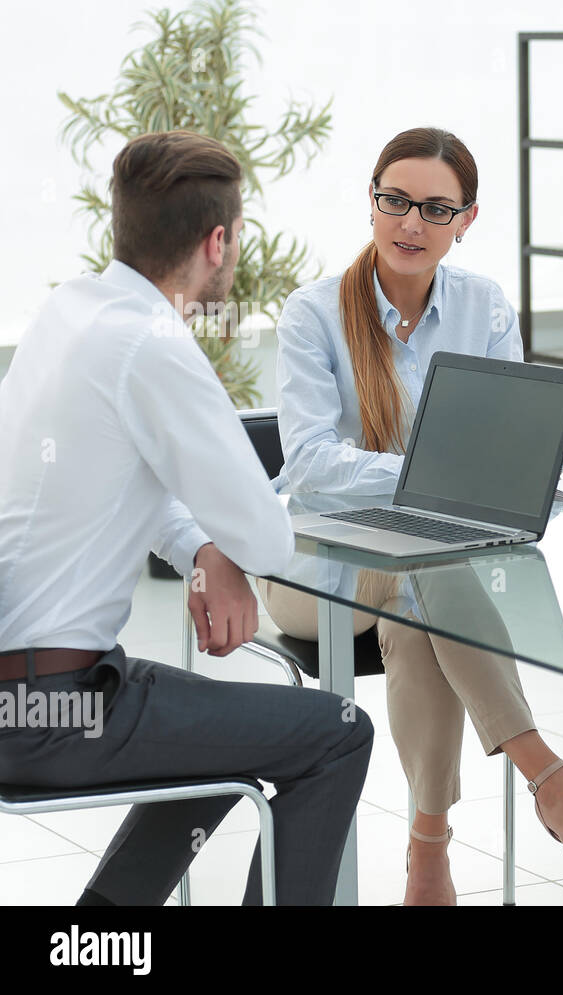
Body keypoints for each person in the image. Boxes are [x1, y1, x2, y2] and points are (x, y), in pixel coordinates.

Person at [261, 126, 563, 905]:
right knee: (427, 574)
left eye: (436, 209)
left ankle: (427, 856)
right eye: (395, 201)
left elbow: (510, 441)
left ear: (467, 220)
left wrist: (467, 485)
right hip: (314, 565)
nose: (411, 223)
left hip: (420, 573)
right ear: (371, 203)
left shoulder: (484, 306)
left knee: (420, 600)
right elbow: (308, 467)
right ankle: (547, 774)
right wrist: (433, 476)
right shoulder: (313, 314)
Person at [0, 130, 374, 905]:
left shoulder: (72, 311)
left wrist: (204, 545)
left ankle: (96, 936)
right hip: (55, 713)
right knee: (338, 731)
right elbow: (269, 538)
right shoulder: (155, 344)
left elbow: (158, 484)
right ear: (218, 241)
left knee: (219, 731)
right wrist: (233, 545)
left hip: (30, 694)